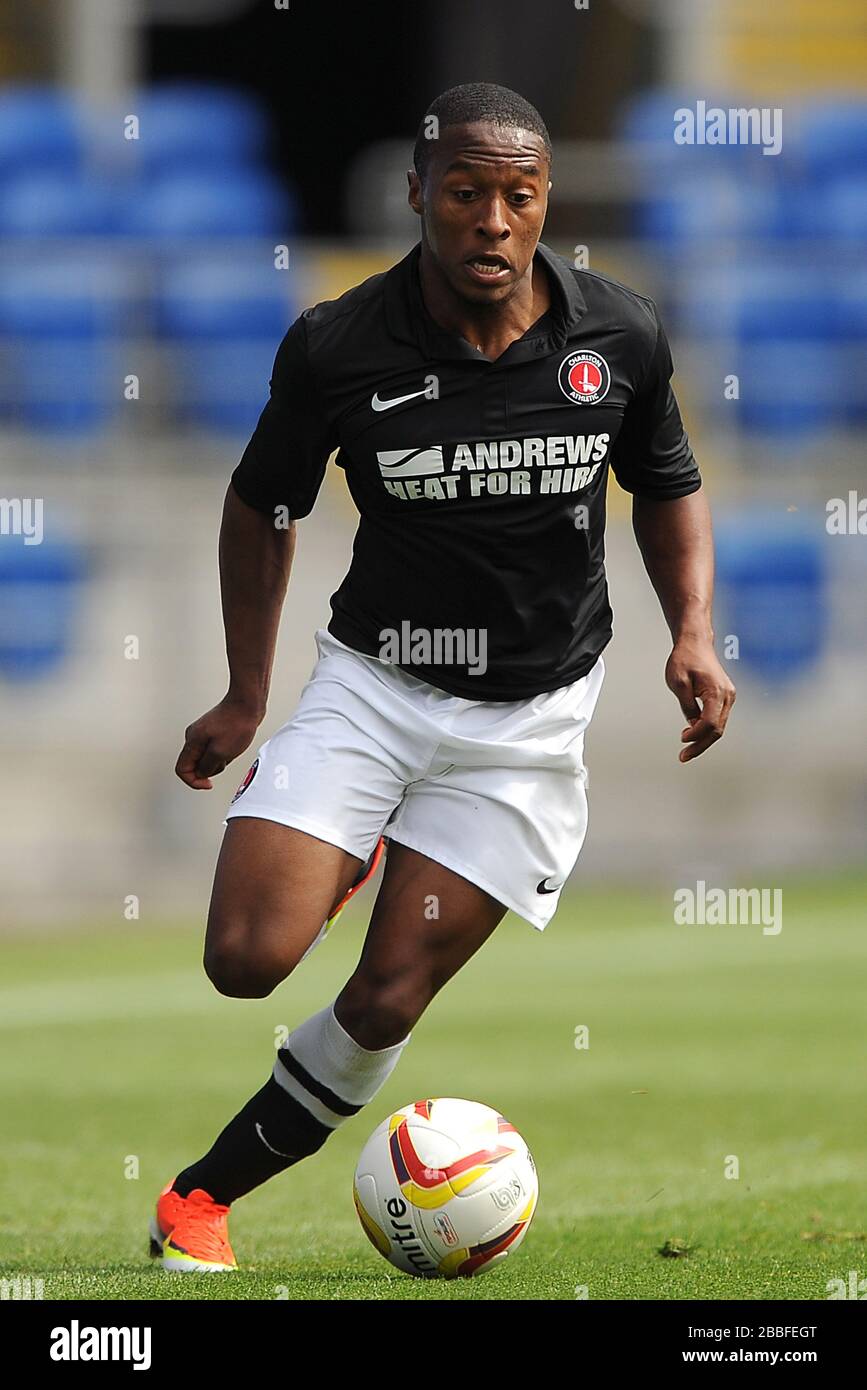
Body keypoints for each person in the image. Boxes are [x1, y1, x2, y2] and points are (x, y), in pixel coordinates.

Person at [150, 82, 735, 1272]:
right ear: (420, 194)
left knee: (383, 999)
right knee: (244, 960)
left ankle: (199, 1198)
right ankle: (357, 836)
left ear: (545, 203)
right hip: (378, 688)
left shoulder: (617, 331)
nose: (491, 219)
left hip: (527, 725)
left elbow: (667, 480)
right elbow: (263, 505)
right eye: (465, 191)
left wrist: (694, 633)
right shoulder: (338, 344)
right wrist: (246, 693)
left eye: (518, 195)